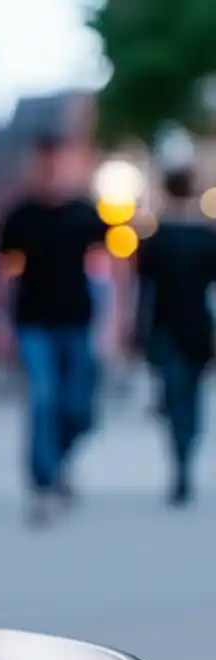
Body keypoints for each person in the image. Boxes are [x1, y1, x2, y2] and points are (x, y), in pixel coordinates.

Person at [0, 136, 106, 526]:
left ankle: (59, 461)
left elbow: (105, 267)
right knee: (43, 398)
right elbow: (4, 270)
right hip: (33, 322)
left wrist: (117, 320)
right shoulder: (20, 216)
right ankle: (43, 481)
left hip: (78, 321)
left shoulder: (85, 214)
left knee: (78, 406)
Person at [136, 169, 216, 507]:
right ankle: (185, 454)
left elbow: (144, 291)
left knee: (175, 393)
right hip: (195, 328)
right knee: (189, 397)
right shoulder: (206, 239)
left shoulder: (156, 240)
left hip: (166, 328)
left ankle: (180, 456)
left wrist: (137, 330)